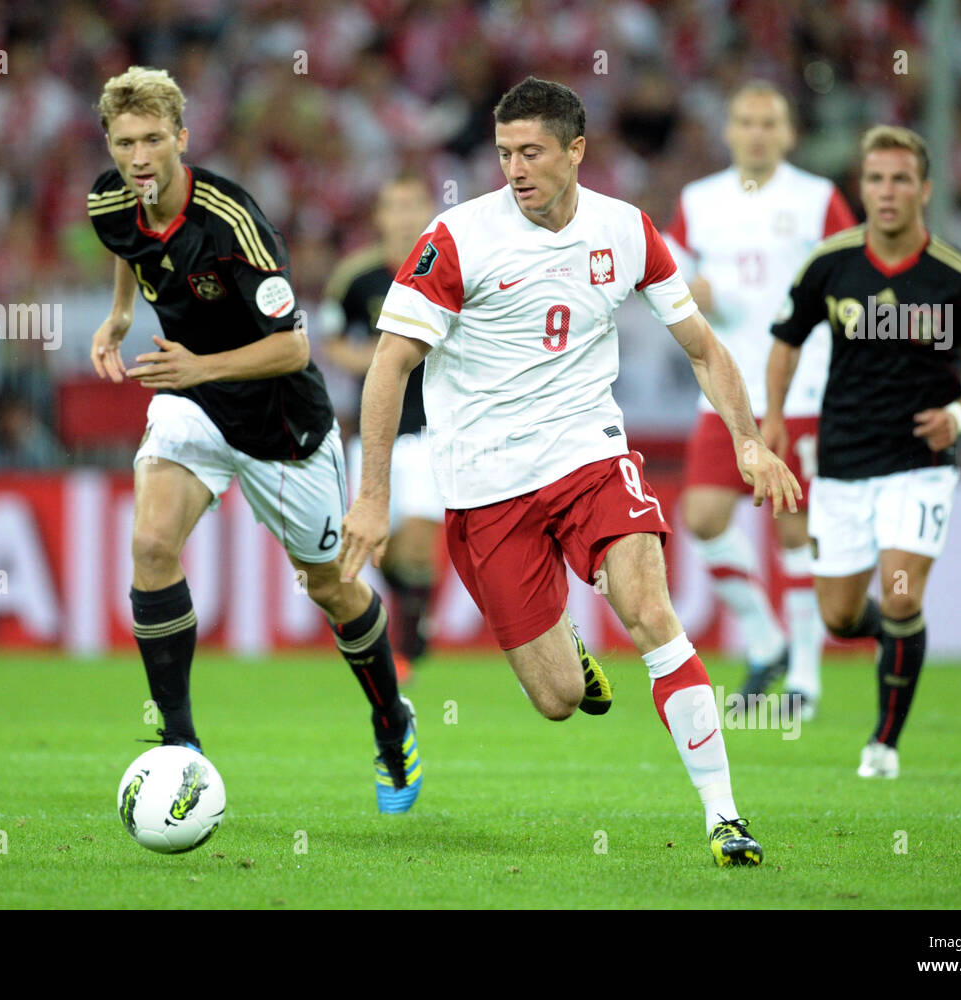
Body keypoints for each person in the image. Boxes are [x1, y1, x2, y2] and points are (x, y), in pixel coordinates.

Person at [340, 77, 801, 866]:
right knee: (556, 700)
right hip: (484, 484)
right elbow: (389, 365)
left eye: (532, 152)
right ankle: (566, 647)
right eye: (504, 153)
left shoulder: (627, 231)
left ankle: (724, 816)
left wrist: (749, 440)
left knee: (651, 610)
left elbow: (703, 347)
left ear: (576, 151)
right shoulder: (457, 237)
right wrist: (373, 498)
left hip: (588, 452)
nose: (515, 168)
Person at [87, 66, 420, 813]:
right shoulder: (109, 198)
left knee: (331, 586)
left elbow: (296, 348)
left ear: (182, 137)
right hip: (191, 402)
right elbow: (127, 246)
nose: (138, 158)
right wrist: (116, 315)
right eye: (123, 143)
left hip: (281, 425)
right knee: (150, 547)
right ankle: (180, 743)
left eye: (151, 141)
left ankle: (390, 719)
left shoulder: (233, 221)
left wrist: (199, 363)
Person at [765, 125, 961, 779]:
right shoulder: (831, 264)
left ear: (924, 189)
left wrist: (960, 414)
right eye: (875, 178)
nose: (886, 191)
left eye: (900, 179)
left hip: (918, 467)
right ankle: (896, 642)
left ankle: (883, 742)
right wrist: (773, 420)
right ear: (863, 187)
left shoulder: (957, 279)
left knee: (901, 594)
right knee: (841, 616)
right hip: (843, 460)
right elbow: (786, 339)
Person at [664, 81, 857, 717]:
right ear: (728, 130)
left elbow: (854, 273)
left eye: (768, 122)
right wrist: (694, 292)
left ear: (788, 133)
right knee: (703, 517)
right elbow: (667, 273)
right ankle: (766, 637)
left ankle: (804, 675)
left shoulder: (817, 199)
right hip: (722, 386)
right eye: (745, 120)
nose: (756, 132)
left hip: (802, 383)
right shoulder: (699, 200)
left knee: (794, 524)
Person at [321, 173, 442, 673]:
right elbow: (329, 339)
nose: (405, 215)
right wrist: (377, 361)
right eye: (395, 206)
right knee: (379, 545)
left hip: (433, 428)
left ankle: (407, 646)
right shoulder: (356, 277)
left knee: (417, 538)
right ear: (380, 217)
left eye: (414, 204)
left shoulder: (448, 268)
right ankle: (414, 621)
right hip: (373, 430)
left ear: (430, 210)